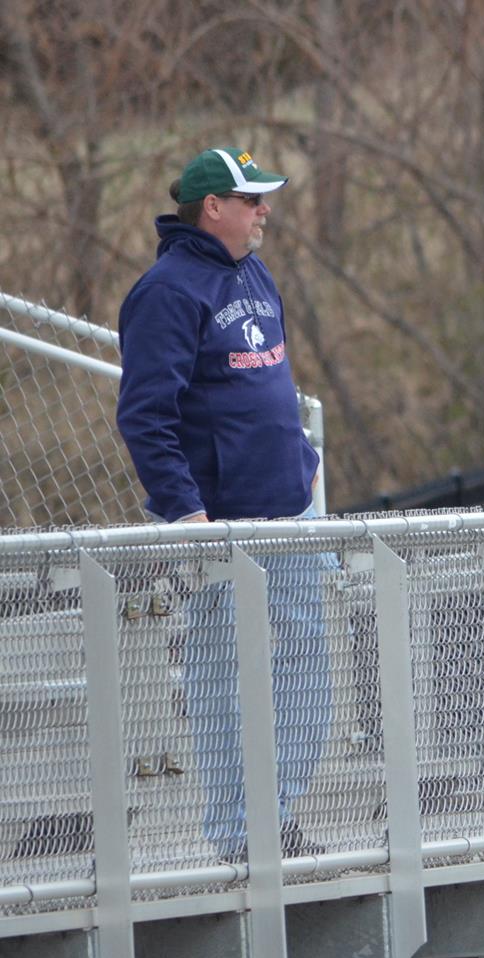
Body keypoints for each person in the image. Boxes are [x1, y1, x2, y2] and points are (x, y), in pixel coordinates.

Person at [115, 146, 330, 859]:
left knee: (306, 670)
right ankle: (241, 833)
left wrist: (303, 464)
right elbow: (146, 416)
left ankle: (276, 815)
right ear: (213, 208)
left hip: (289, 511)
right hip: (223, 526)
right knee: (224, 678)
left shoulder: (254, 271)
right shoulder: (166, 293)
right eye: (251, 199)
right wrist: (188, 515)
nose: (264, 210)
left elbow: (270, 381)